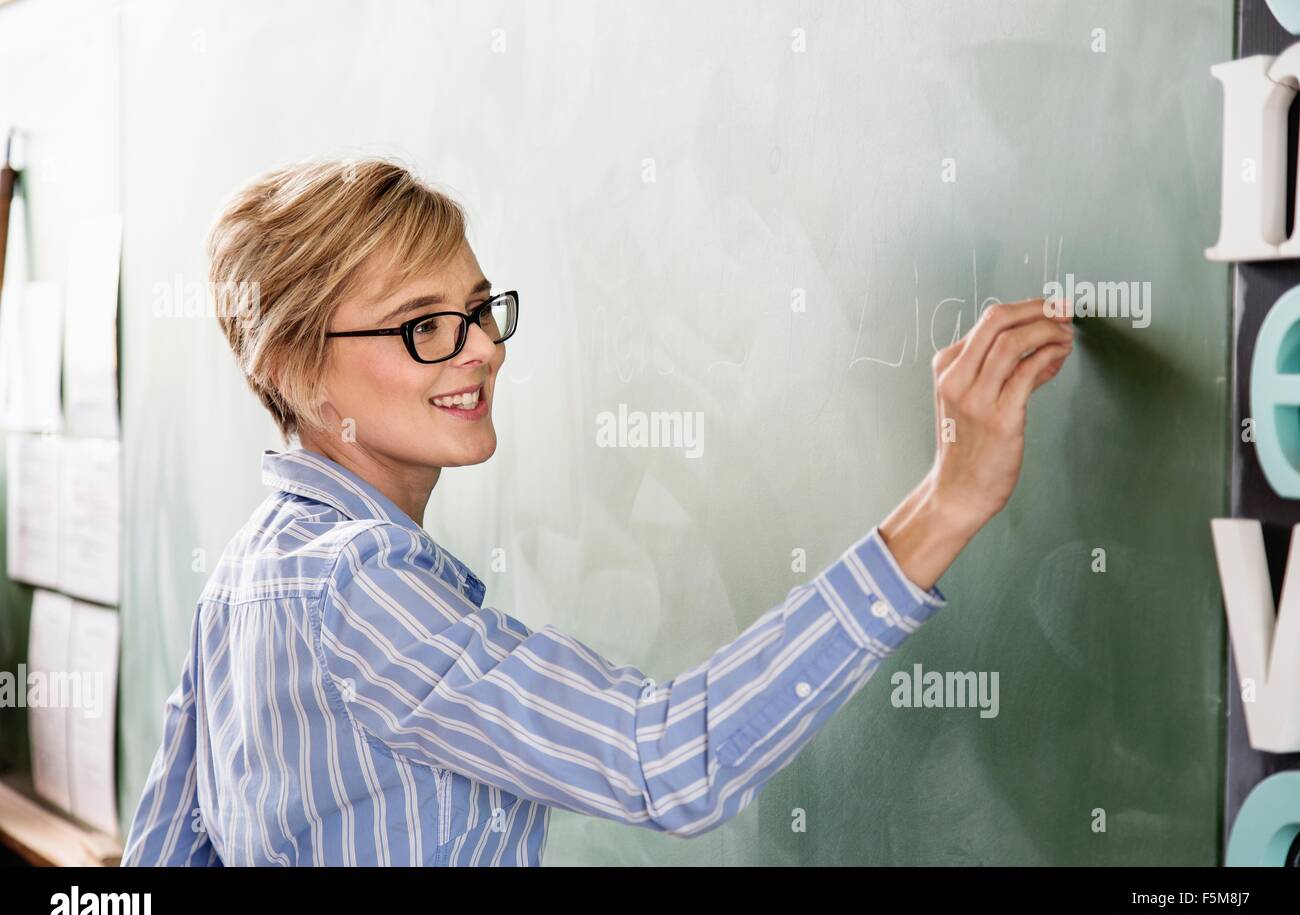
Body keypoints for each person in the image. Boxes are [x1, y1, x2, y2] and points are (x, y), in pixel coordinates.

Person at [122, 157, 1074, 866]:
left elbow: (160, 865)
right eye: (423, 326)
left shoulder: (246, 576)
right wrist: (946, 504)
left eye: (481, 307)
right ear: (295, 370)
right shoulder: (358, 587)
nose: (482, 350)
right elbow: (669, 760)